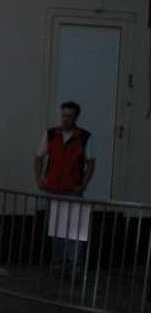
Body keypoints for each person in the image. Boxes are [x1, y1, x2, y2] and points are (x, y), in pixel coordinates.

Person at [34, 100, 95, 277]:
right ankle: (60, 265)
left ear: (76, 117)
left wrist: (83, 184)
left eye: (69, 116)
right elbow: (38, 157)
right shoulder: (52, 134)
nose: (65, 119)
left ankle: (74, 267)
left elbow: (90, 163)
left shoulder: (83, 137)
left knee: (74, 231)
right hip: (55, 188)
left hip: (70, 188)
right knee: (57, 231)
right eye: (64, 115)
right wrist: (40, 179)